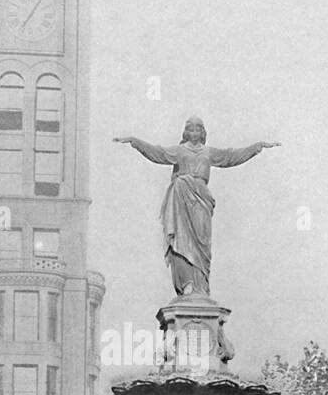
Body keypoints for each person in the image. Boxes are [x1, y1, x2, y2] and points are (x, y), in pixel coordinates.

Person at [114, 118, 279, 296]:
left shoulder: (208, 152)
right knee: (182, 240)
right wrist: (135, 142)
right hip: (182, 196)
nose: (194, 133)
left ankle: (201, 284)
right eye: (191, 130)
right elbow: (158, 153)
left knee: (202, 242)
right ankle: (188, 283)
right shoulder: (179, 151)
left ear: (203, 133)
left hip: (201, 198)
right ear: (186, 133)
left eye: (197, 130)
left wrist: (256, 147)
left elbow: (231, 156)